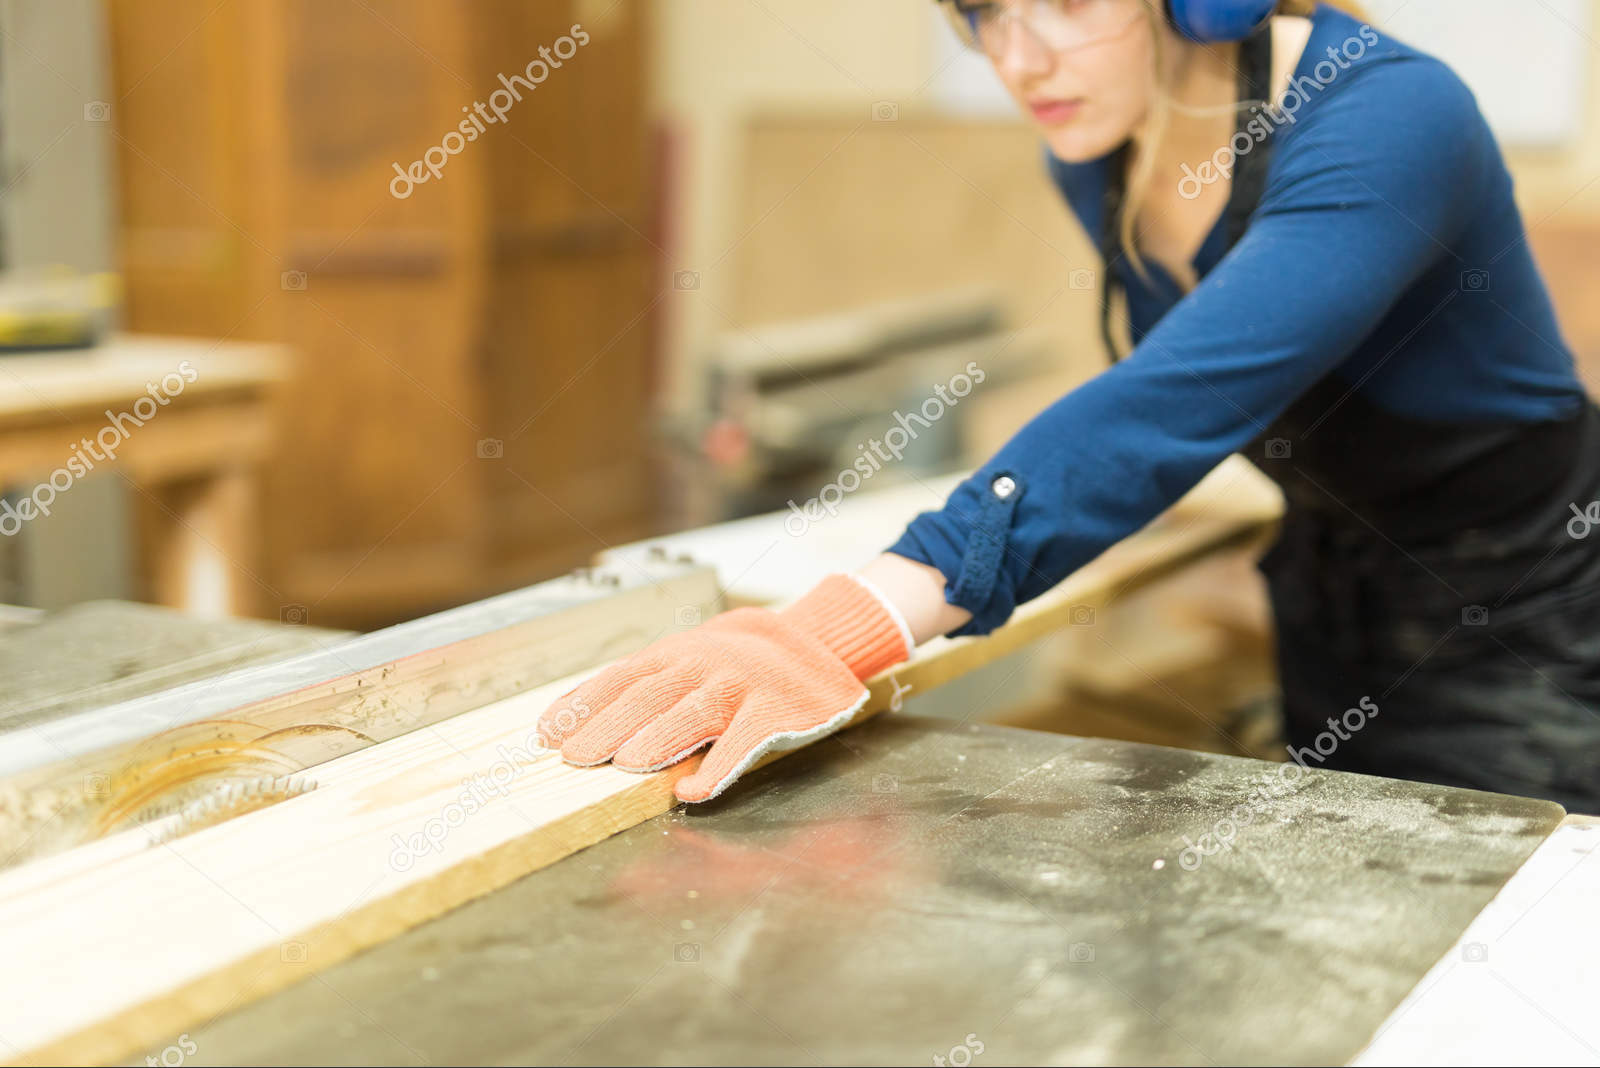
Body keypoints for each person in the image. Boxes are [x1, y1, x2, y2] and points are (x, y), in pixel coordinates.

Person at [539, 0, 1600, 813]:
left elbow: (1166, 402)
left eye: (1067, 2)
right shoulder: (1100, 155)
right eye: (984, 11)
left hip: (1521, 611)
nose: (1016, 58)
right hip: (1328, 587)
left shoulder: (1392, 115)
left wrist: (839, 627)